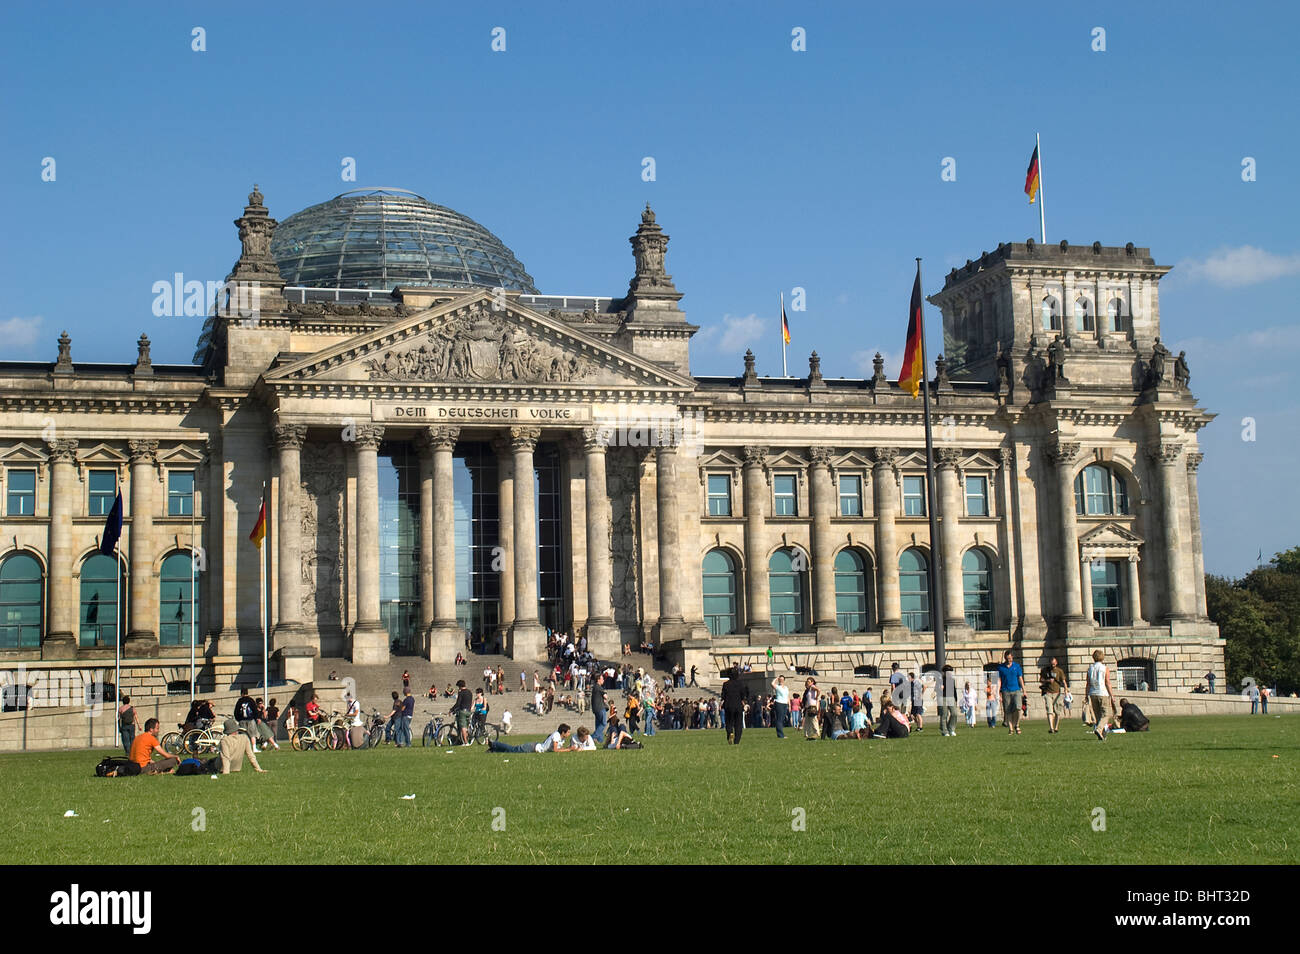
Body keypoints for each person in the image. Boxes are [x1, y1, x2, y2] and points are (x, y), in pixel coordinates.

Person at [1086, 649, 1117, 740]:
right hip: (1102, 692)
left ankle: (1102, 735)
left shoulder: (1090, 669)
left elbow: (1088, 683)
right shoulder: (1105, 668)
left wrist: (1086, 695)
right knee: (1106, 714)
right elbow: (1107, 682)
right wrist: (1112, 695)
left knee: (1098, 715)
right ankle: (1099, 730)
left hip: (1092, 693)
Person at [488, 723, 576, 754]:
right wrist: (569, 749)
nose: (569, 733)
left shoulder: (562, 738)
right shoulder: (557, 735)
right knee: (513, 749)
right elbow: (556, 750)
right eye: (568, 732)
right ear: (563, 732)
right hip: (533, 747)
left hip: (535, 747)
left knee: (512, 751)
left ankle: (494, 750)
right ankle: (494, 744)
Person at [997, 650, 1026, 735]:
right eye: (1007, 658)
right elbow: (998, 680)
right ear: (1005, 658)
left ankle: (1017, 724)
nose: (1009, 660)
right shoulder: (1000, 667)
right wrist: (998, 692)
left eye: (1010, 658)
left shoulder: (1017, 666)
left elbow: (1020, 678)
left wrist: (1024, 690)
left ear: (1012, 657)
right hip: (1006, 691)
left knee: (1018, 708)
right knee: (1008, 711)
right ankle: (1011, 729)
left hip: (1016, 690)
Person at [1040, 656, 1068, 734]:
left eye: (1054, 664)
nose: (1053, 666)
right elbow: (1041, 680)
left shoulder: (1059, 671)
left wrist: (1066, 690)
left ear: (1056, 663)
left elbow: (1063, 681)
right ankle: (1051, 728)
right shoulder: (1045, 670)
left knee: (1057, 711)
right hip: (1048, 693)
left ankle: (1056, 727)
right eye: (1051, 664)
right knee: (1049, 710)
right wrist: (1047, 680)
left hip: (1057, 693)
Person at [721, 668, 746, 744]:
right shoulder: (741, 684)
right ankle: (737, 740)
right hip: (738, 705)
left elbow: (723, 696)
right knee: (738, 724)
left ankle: (730, 733)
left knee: (729, 723)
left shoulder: (726, 684)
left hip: (728, 705)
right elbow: (743, 695)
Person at [937, 664, 958, 736]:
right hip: (943, 698)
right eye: (948, 672)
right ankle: (944, 731)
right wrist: (940, 688)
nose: (950, 673)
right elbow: (936, 690)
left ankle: (951, 729)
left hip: (951, 698)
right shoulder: (940, 680)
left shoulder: (952, 680)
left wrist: (956, 699)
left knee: (954, 713)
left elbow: (954, 690)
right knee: (944, 714)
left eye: (951, 672)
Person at [452, 679, 473, 745]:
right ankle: (464, 740)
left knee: (463, 727)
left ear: (459, 686)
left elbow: (458, 703)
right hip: (468, 711)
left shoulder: (461, 692)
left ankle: (466, 743)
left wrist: (452, 709)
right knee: (466, 727)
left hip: (462, 711)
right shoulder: (469, 692)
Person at [771, 674, 790, 739]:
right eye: (780, 679)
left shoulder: (786, 688)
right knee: (779, 719)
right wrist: (776, 678)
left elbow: (787, 696)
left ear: (784, 680)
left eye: (782, 679)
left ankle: (781, 734)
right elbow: (772, 683)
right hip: (779, 703)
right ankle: (780, 735)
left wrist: (789, 705)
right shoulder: (777, 686)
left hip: (785, 704)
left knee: (782, 719)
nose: (781, 680)